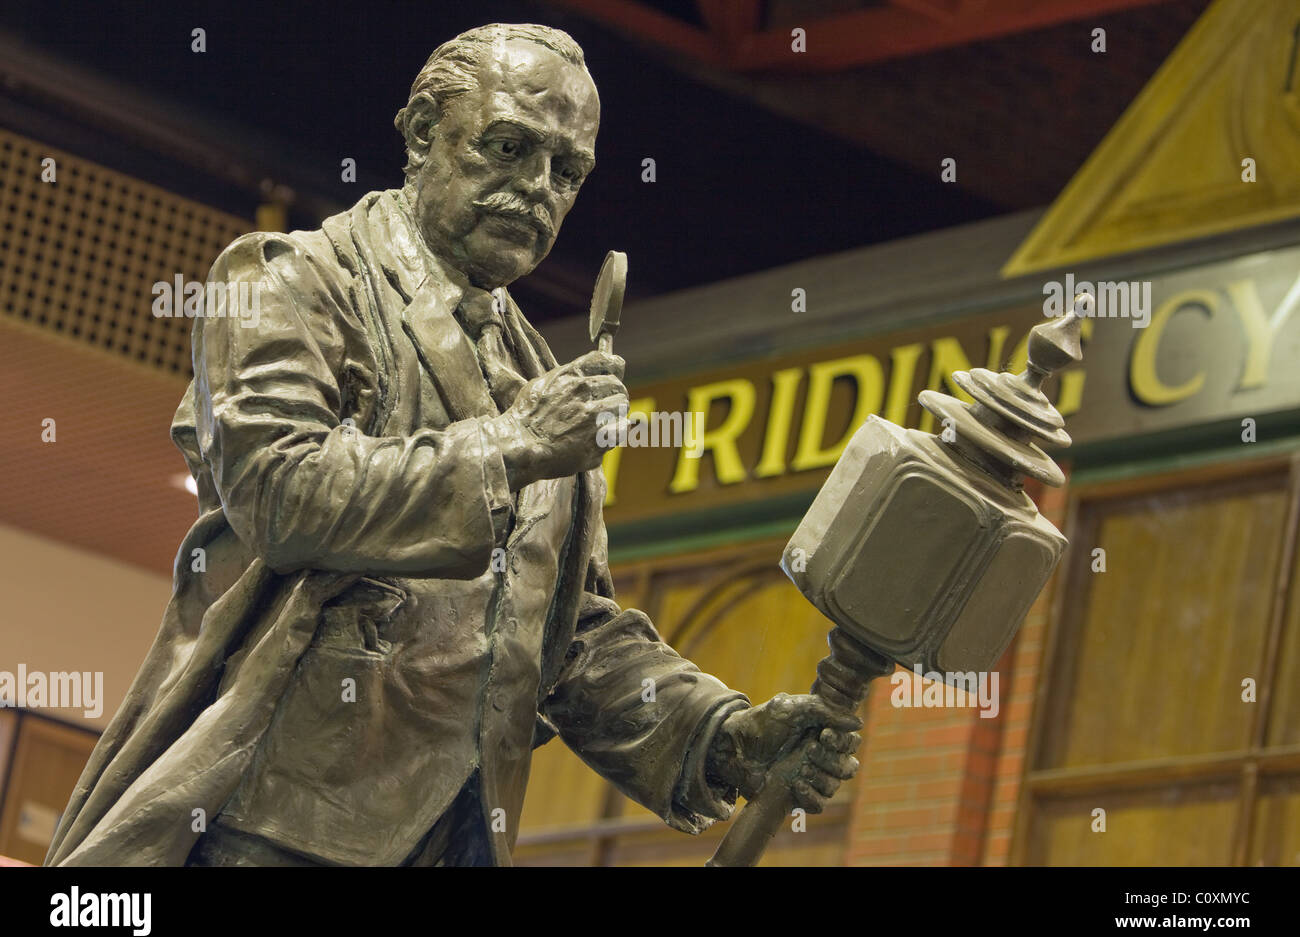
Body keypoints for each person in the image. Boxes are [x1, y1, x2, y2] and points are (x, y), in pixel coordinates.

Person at [46, 22, 862, 867]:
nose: (536, 187)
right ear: (421, 134)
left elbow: (570, 638)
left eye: (567, 171)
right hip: (272, 821)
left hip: (460, 836)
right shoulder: (292, 281)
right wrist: (513, 445)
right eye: (508, 147)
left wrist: (721, 734)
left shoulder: (533, 369)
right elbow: (279, 492)